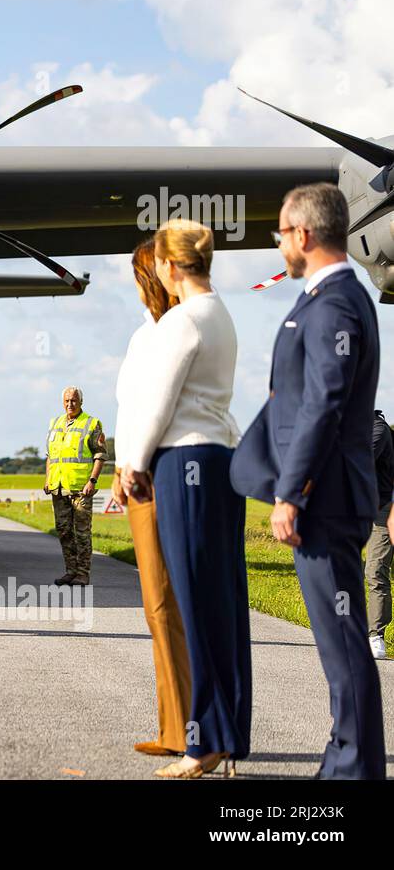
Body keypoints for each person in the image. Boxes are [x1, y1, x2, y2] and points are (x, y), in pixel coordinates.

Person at [231, 183, 386, 780]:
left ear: (303, 234)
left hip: (325, 498)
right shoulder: (330, 299)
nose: (277, 241)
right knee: (339, 638)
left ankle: (352, 767)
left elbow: (324, 402)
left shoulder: (336, 303)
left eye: (280, 230)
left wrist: (291, 492)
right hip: (331, 494)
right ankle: (354, 760)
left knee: (343, 638)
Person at [119, 218, 249, 779]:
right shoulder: (220, 315)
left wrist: (133, 464)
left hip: (185, 461)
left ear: (170, 267)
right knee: (219, 604)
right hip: (218, 457)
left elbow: (156, 403)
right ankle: (224, 734)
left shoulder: (181, 322)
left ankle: (203, 741)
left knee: (194, 606)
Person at [113, 237, 193, 759]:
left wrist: (131, 466)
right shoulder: (151, 332)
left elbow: (155, 406)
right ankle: (172, 725)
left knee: (166, 604)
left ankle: (184, 727)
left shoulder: (172, 331)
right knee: (157, 607)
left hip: (154, 471)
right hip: (138, 469)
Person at [44, 387, 106, 586]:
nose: (70, 404)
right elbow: (51, 456)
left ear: (81, 401)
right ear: (62, 402)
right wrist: (48, 479)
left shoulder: (91, 423)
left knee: (81, 533)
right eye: (67, 401)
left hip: (81, 488)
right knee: (63, 531)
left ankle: (82, 573)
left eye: (74, 400)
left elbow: (100, 455)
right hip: (59, 487)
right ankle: (70, 571)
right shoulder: (56, 423)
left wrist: (92, 481)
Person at [366, 411, 393, 660]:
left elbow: (360, 459)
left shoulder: (377, 428)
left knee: (376, 571)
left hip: (384, 511)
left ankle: (376, 636)